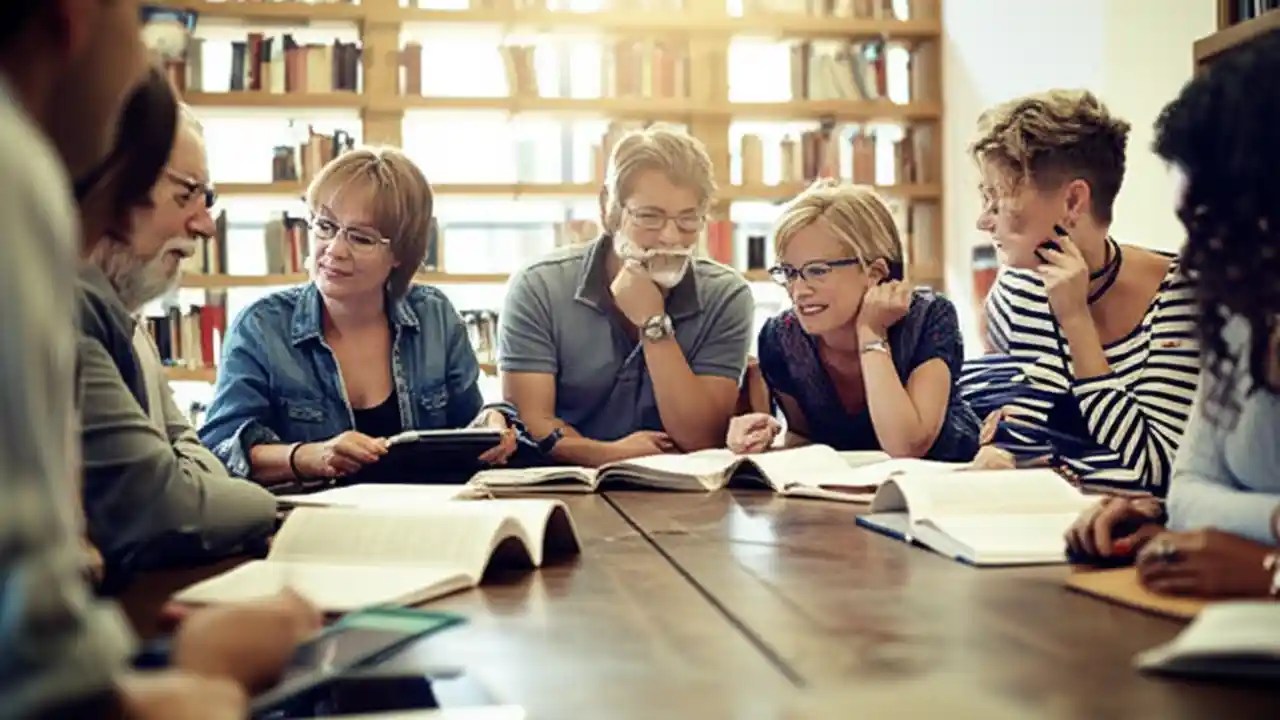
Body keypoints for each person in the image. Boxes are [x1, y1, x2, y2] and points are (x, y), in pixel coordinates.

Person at [0, 3, 313, 719]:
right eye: (139, 19)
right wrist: (209, 668)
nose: (147, 62)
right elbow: (56, 699)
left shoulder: (121, 313)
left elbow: (190, 460)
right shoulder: (18, 177)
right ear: (73, 14)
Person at [1066, 29, 1280, 599]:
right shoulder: (1239, 321)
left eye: (1213, 224)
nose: (1190, 256)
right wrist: (1161, 517)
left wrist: (1269, 569)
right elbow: (1189, 486)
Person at [199, 147, 519, 486]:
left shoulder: (435, 316)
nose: (334, 249)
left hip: (425, 522)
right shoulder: (262, 325)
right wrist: (310, 456)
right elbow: (219, 449)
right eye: (325, 226)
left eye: (361, 238)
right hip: (306, 524)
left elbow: (469, 429)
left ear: (400, 253)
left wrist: (492, 425)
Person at [78, 67, 276, 580]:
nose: (206, 224)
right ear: (116, 182)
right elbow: (165, 510)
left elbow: (189, 449)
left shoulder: (130, 323)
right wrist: (257, 500)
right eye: (188, 193)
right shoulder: (69, 312)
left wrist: (192, 482)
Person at [962, 89, 1199, 492]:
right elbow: (1014, 434)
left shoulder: (1182, 296)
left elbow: (1156, 472)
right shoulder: (1017, 292)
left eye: (997, 198)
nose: (984, 221)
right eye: (984, 197)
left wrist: (1076, 320)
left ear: (1074, 201)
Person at [498, 124, 754, 467]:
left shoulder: (727, 296)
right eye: (650, 217)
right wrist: (615, 456)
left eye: (688, 220)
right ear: (610, 209)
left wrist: (653, 325)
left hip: (684, 495)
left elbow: (701, 438)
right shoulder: (538, 287)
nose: (669, 237)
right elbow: (530, 427)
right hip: (565, 488)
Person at [726, 181, 979, 460]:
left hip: (942, 492)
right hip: (839, 498)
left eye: (817, 271)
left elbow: (906, 446)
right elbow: (806, 439)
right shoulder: (781, 339)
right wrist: (763, 442)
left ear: (875, 272)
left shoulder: (928, 318)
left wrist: (871, 334)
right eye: (789, 272)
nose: (798, 291)